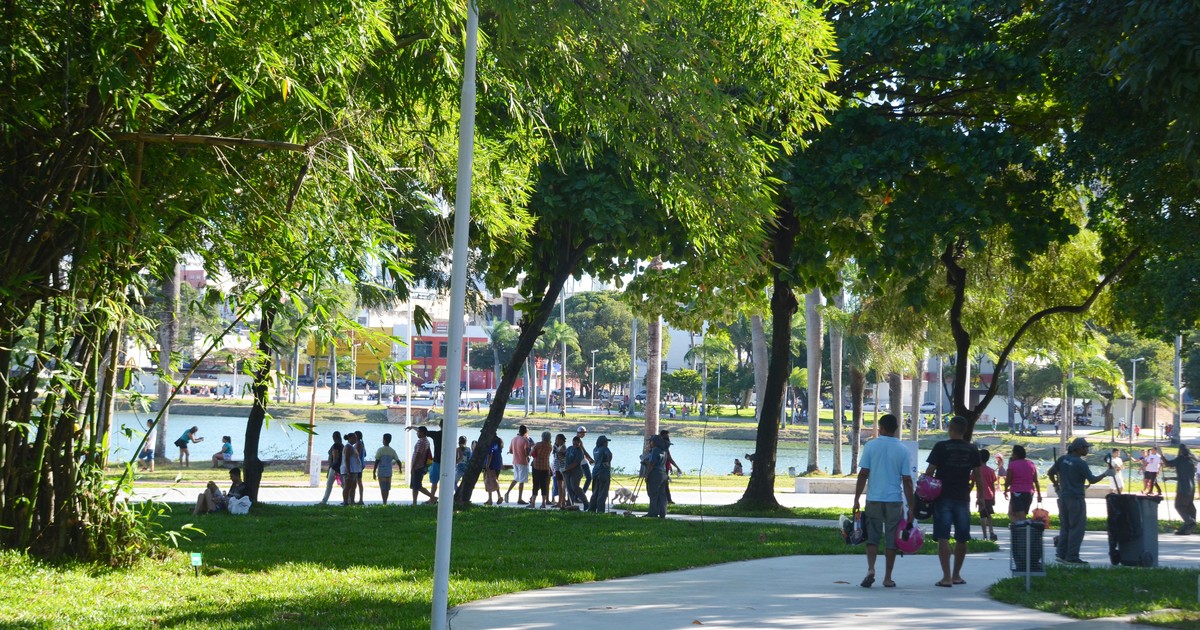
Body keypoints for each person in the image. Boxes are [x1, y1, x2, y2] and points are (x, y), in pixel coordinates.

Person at [852, 413, 914, 589]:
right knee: (892, 540)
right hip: (894, 500)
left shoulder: (871, 446)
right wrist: (911, 506)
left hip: (874, 499)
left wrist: (856, 499)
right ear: (895, 429)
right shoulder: (903, 450)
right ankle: (888, 577)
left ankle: (871, 569)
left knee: (872, 537)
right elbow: (907, 480)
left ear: (882, 427)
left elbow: (863, 474)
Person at [924, 416, 982, 587]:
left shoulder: (941, 447)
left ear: (950, 428)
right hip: (963, 497)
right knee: (962, 537)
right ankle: (957, 575)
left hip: (942, 497)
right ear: (965, 430)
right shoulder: (972, 449)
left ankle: (946, 577)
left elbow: (930, 471)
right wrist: (981, 498)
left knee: (943, 536)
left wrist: (923, 491)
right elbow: (978, 475)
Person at [1047, 437, 1113, 564]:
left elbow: (1050, 473)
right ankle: (1072, 556)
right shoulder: (1080, 463)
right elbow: (1092, 480)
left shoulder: (1063, 459)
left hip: (1063, 498)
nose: (1087, 449)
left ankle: (1061, 554)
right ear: (1078, 448)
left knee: (1065, 527)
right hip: (1076, 499)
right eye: (1085, 447)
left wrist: (1056, 486)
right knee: (1077, 528)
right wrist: (1106, 473)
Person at [1161, 444, 1197, 535]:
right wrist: (1169, 479)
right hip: (1192, 488)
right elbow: (1184, 476)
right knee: (1188, 506)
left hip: (1183, 489)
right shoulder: (1191, 461)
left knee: (1179, 506)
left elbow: (1168, 464)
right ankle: (1187, 528)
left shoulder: (1180, 459)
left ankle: (1190, 522)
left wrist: (1161, 455)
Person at [1003, 444, 1042, 522]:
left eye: (1013, 453)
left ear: (1016, 454)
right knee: (1020, 514)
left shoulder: (1012, 465)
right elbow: (1036, 480)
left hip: (1017, 492)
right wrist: (1039, 494)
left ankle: (1025, 530)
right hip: (1029, 492)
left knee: (1020, 516)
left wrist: (1006, 489)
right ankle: (1021, 530)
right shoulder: (1031, 464)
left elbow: (1008, 481)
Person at [505, 425, 533, 504]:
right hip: (523, 462)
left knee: (516, 478)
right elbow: (527, 453)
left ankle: (507, 493)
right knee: (522, 480)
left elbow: (510, 451)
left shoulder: (514, 439)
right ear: (525, 432)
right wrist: (530, 454)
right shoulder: (525, 441)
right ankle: (519, 498)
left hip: (515, 461)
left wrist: (517, 452)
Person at [644, 434, 670, 518]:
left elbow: (652, 464)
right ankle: (663, 513)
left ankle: (653, 513)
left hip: (655, 474)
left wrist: (647, 475)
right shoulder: (664, 451)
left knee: (653, 494)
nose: (650, 443)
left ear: (654, 442)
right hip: (663, 474)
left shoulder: (655, 450)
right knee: (662, 494)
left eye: (651, 441)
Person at [408, 426, 435, 506]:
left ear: (422, 433)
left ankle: (432, 497)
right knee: (414, 486)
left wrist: (413, 466)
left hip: (418, 466)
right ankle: (414, 503)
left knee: (418, 486)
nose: (417, 433)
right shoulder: (426, 441)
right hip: (421, 466)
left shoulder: (421, 442)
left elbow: (418, 454)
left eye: (418, 432)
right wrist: (412, 427)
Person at [975, 449, 998, 541]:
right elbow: (992, 485)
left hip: (980, 496)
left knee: (982, 516)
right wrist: (994, 497)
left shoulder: (976, 470)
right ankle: (991, 532)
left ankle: (984, 535)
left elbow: (972, 481)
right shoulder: (991, 471)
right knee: (989, 515)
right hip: (989, 496)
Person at [373, 433, 400, 505]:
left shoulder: (380, 450)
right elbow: (398, 461)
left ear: (384, 440)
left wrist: (374, 472)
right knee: (387, 488)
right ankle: (385, 501)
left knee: (382, 487)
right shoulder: (392, 451)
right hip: (389, 472)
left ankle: (384, 501)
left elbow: (377, 461)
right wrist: (400, 469)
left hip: (381, 472)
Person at [587, 435, 613, 513]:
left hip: (595, 472)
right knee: (602, 493)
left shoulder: (595, 449)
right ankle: (600, 511)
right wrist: (608, 463)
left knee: (595, 492)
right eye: (606, 442)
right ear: (603, 443)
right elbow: (609, 456)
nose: (607, 443)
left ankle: (591, 509)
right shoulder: (605, 449)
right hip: (603, 472)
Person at [529, 430, 553, 508]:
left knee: (535, 484)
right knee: (544, 485)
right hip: (546, 467)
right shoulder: (550, 446)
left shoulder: (538, 444)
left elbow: (531, 453)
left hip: (536, 466)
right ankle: (543, 503)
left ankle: (533, 503)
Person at [319, 431, 344, 505]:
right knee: (343, 484)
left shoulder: (336, 445)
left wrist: (331, 468)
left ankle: (324, 501)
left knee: (329, 484)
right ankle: (347, 499)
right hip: (339, 467)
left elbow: (335, 458)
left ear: (334, 437)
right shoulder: (342, 445)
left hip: (334, 467)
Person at [340, 432, 363, 507]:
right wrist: (348, 470)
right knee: (347, 486)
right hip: (350, 470)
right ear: (349, 438)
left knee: (353, 486)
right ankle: (345, 502)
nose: (356, 439)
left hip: (354, 470)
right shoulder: (348, 447)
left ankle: (352, 501)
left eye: (356, 438)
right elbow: (346, 459)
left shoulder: (352, 446)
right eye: (354, 438)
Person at [564, 435, 587, 507]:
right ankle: (570, 503)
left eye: (577, 444)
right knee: (569, 487)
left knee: (575, 487)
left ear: (580, 443)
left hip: (576, 472)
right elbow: (565, 456)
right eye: (574, 444)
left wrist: (566, 468)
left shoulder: (580, 451)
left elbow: (576, 463)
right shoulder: (569, 448)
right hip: (567, 472)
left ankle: (585, 502)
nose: (575, 445)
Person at [483, 436, 504, 505]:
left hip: (492, 464)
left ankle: (490, 499)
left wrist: (487, 466)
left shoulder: (491, 443)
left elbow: (490, 455)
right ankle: (499, 496)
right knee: (495, 481)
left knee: (489, 481)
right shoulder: (498, 442)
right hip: (498, 464)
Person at [575, 426, 594, 494]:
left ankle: (579, 495)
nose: (584, 434)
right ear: (578, 433)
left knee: (579, 479)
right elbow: (584, 452)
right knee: (589, 478)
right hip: (582, 462)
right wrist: (591, 460)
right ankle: (581, 494)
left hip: (581, 461)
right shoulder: (578, 441)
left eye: (584, 433)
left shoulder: (577, 440)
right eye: (582, 433)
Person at [551, 434, 568, 509]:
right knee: (559, 486)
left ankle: (561, 502)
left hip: (562, 468)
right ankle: (561, 501)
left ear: (561, 440)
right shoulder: (556, 446)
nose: (555, 441)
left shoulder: (563, 447)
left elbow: (561, 454)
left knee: (561, 486)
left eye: (557, 439)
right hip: (557, 468)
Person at [354, 431, 367, 505]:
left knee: (357, 482)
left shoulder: (358, 444)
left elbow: (357, 455)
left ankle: (360, 499)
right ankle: (359, 499)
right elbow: (364, 454)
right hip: (360, 465)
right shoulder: (361, 443)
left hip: (358, 465)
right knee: (358, 481)